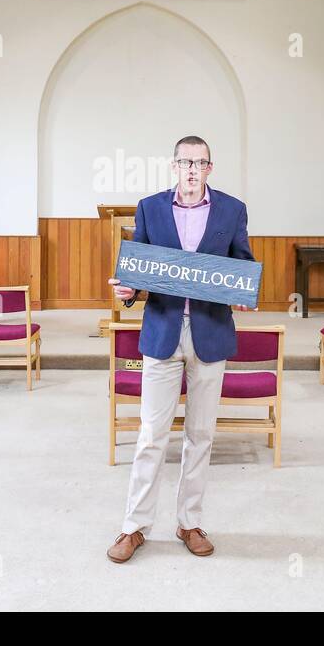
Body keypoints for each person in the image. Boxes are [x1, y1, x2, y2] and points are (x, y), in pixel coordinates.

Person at [106, 135, 254, 563]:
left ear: (210, 168)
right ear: (174, 165)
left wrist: (245, 289)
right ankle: (133, 527)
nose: (192, 169)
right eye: (186, 162)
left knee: (200, 434)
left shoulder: (232, 209)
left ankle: (189, 522)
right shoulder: (150, 208)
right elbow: (135, 269)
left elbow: (242, 263)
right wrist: (128, 292)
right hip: (163, 332)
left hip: (210, 331)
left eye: (201, 162)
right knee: (151, 434)